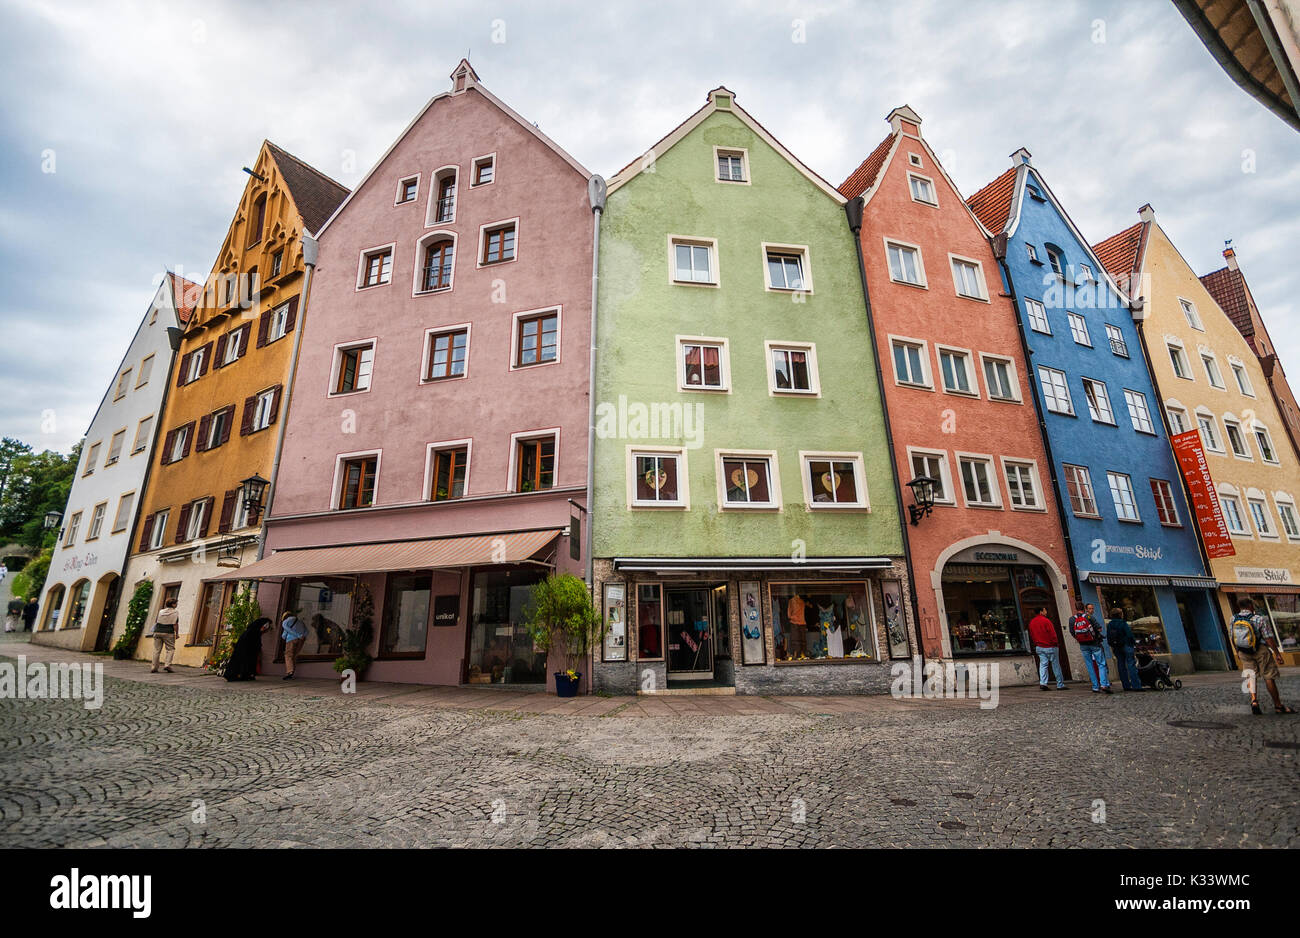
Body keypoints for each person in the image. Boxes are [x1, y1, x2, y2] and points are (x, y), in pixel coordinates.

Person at [1233, 598, 1294, 715]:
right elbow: (1268, 638)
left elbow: (1232, 637)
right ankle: (1278, 705)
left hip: (1243, 651)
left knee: (1250, 675)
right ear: (1250, 605)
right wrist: (1277, 653)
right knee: (1268, 676)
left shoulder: (1233, 619)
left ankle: (1254, 701)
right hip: (1260, 650)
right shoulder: (1258, 619)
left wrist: (1238, 652)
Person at [1069, 601, 1111, 694]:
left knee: (1090, 665)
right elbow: (1099, 628)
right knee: (1101, 664)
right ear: (1084, 608)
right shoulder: (1089, 617)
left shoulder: (1071, 619)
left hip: (1083, 645)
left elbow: (1072, 632)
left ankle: (1095, 686)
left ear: (1076, 608)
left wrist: (1080, 638)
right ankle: (1104, 684)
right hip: (1094, 643)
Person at [1027, 606, 1066, 690]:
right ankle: (1060, 684)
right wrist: (1055, 643)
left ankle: (1043, 682)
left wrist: (1036, 643)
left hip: (1039, 647)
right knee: (1056, 665)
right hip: (1050, 646)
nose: (1046, 612)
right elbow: (1052, 634)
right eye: (1045, 610)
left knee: (1043, 665)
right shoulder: (1046, 621)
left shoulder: (1032, 622)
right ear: (1041, 612)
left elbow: (1032, 635)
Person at [1105, 607, 1142, 692]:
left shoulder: (1110, 624)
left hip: (1116, 647)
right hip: (1126, 645)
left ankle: (1126, 685)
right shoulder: (1123, 623)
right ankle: (1136, 685)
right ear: (1120, 614)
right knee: (1131, 665)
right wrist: (1133, 642)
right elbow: (1129, 635)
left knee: (1121, 665)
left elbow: (1108, 636)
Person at [225, 617, 272, 682]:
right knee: (241, 660)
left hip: (248, 650)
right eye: (264, 627)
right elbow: (250, 642)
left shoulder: (255, 632)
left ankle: (246, 675)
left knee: (248, 661)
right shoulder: (251, 632)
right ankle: (234, 675)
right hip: (244, 649)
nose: (264, 629)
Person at [149, 598, 179, 673]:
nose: (177, 604)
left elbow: (157, 621)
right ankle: (167, 665)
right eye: (176, 603)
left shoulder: (161, 611)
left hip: (158, 631)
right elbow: (175, 624)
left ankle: (154, 667)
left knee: (156, 650)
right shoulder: (175, 612)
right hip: (168, 632)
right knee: (170, 649)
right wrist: (177, 633)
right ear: (173, 604)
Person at [281, 609, 307, 679]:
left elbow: (287, 630)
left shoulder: (285, 621)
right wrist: (302, 636)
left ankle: (290, 672)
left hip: (291, 640)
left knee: (288, 655)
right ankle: (292, 672)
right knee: (294, 655)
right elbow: (306, 631)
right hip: (301, 640)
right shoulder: (300, 622)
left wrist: (297, 635)